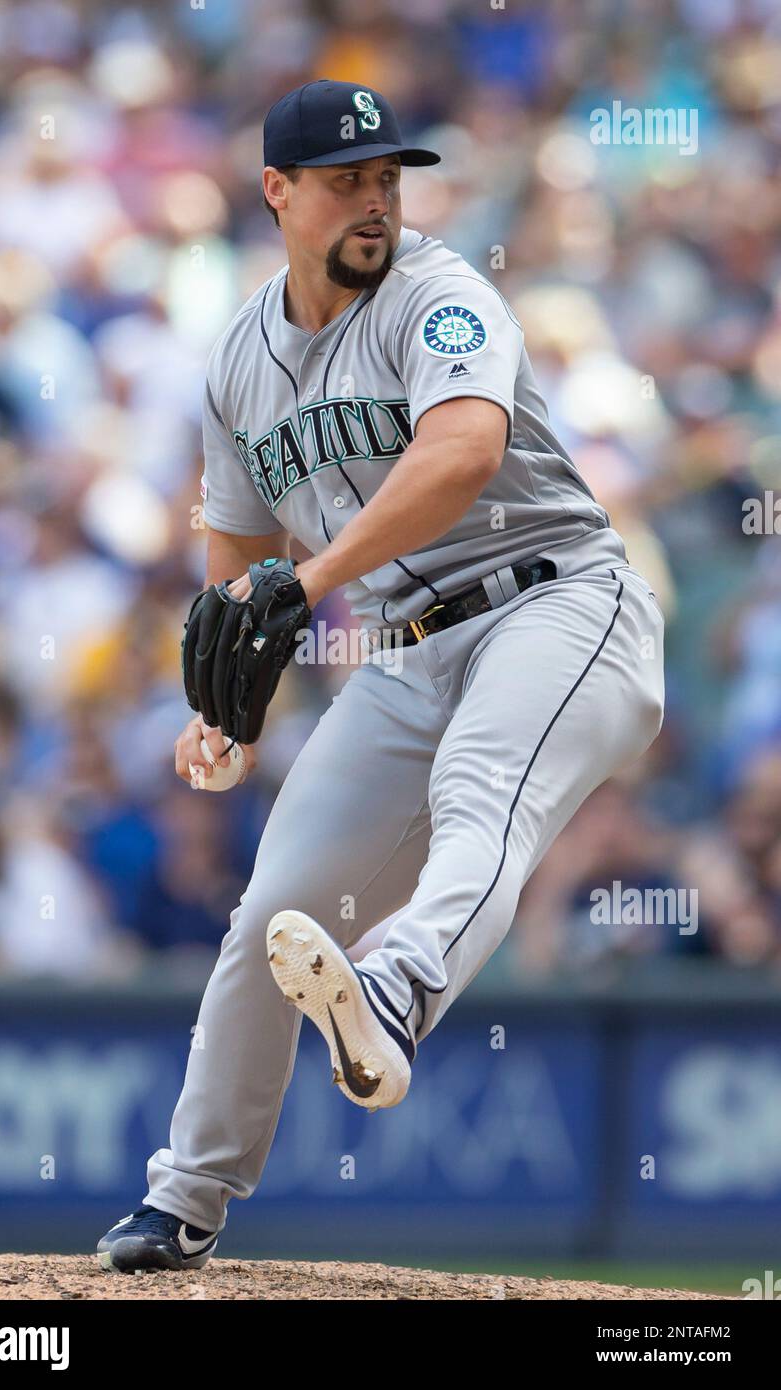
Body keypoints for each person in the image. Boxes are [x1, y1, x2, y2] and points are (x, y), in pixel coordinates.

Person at [97, 79, 665, 1273]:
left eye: (386, 179)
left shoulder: (439, 293)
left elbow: (460, 454)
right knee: (271, 910)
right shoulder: (237, 364)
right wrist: (221, 709)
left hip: (559, 602)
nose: (374, 202)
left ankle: (398, 987)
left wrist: (307, 589)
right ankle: (186, 1196)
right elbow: (240, 570)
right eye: (347, 180)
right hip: (410, 652)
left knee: (480, 794)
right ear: (276, 192)